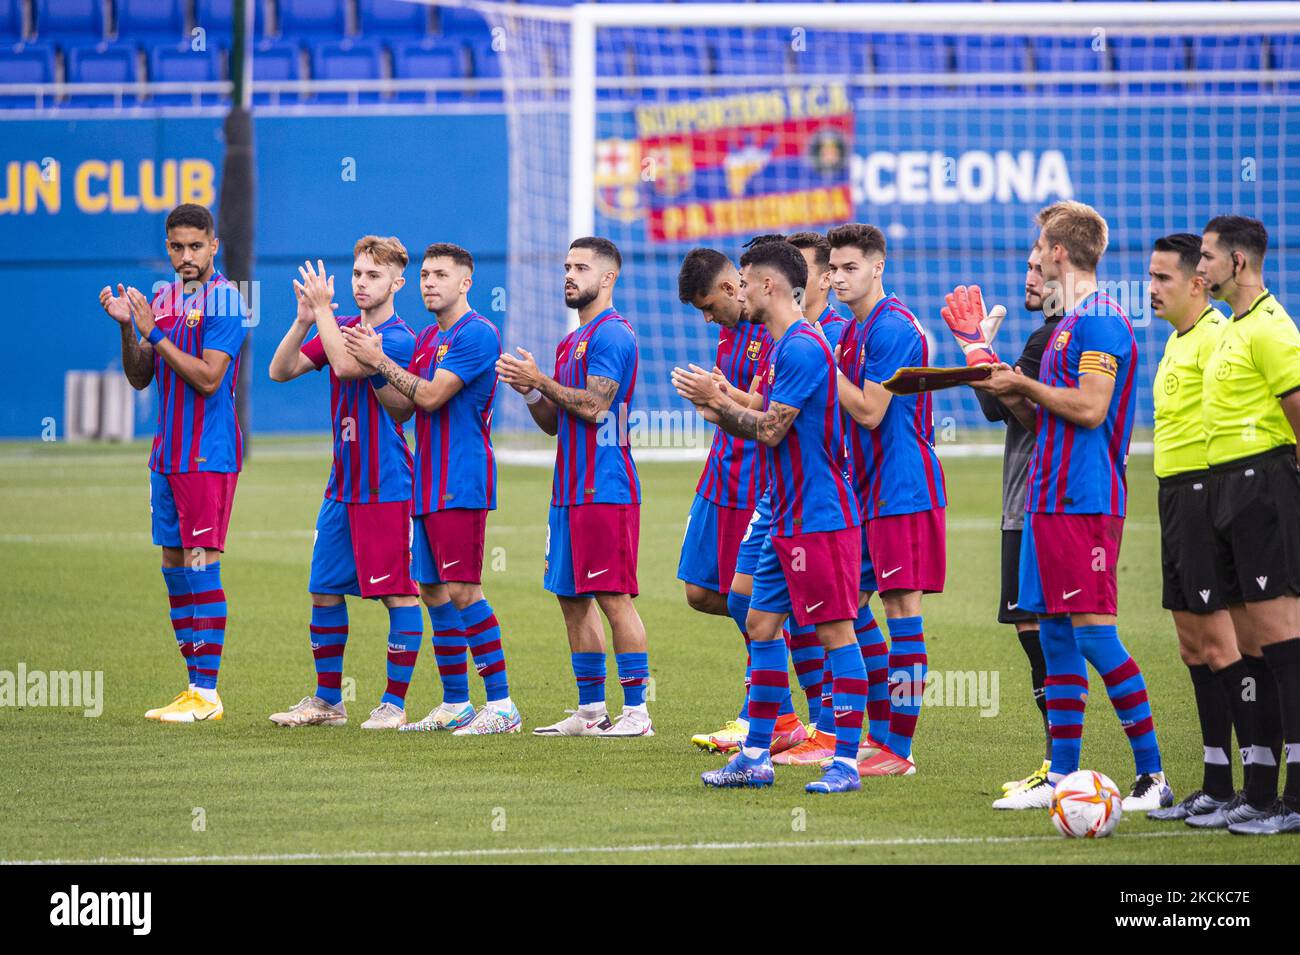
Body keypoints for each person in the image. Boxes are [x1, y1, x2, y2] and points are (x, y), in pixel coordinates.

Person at [976, 201, 1171, 812]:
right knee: (1056, 638)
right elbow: (1039, 413)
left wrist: (1022, 382)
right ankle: (1063, 776)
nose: (1033, 257)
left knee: (1094, 636)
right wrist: (985, 364)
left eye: (1038, 247)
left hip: (1085, 502)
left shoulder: (1103, 321)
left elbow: (1090, 408)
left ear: (1059, 252)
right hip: (1045, 503)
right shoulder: (1064, 326)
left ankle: (1153, 777)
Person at [674, 238, 866, 794]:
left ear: (768, 286)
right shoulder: (784, 346)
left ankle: (845, 764)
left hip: (819, 515)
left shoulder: (804, 347)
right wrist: (727, 399)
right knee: (759, 622)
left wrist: (718, 407)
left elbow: (770, 429)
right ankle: (756, 755)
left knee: (835, 633)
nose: (740, 290)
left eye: (747, 279)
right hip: (785, 514)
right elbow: (763, 413)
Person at [343, 242, 519, 735]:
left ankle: (502, 705)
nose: (429, 283)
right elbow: (403, 409)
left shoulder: (479, 333)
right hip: (428, 481)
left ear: (466, 283)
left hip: (461, 479)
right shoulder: (424, 339)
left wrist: (378, 361)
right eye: (424, 275)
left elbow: (434, 395)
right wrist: (376, 366)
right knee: (434, 590)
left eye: (440, 275)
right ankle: (456, 702)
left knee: (464, 588)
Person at [496, 237, 653, 738]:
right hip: (568, 493)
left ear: (607, 278)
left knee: (612, 597)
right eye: (566, 266)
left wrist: (541, 377)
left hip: (605, 490)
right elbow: (556, 423)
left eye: (580, 267)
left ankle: (637, 714)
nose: (569, 274)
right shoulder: (571, 342)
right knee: (571, 599)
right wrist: (531, 391)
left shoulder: (613, 335)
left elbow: (595, 407)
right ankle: (590, 712)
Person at [100, 202, 248, 724]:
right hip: (166, 455)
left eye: (195, 246)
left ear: (214, 246)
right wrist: (128, 329)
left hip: (207, 454)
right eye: (176, 247)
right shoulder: (161, 298)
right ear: (167, 247)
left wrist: (155, 333)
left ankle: (207, 694)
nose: (186, 256)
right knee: (173, 566)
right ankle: (191, 688)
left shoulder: (227, 302)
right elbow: (142, 375)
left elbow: (208, 379)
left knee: (202, 562)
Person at [266, 237, 421, 730]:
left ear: (397, 283)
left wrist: (325, 313)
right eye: (356, 273)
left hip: (386, 484)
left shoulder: (395, 338)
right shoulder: (342, 326)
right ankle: (327, 702)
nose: (361, 282)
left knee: (397, 594)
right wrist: (304, 319)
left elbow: (347, 366)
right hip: (343, 485)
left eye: (373, 275)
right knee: (324, 590)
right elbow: (280, 370)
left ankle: (394, 704)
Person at [1187, 216, 1300, 834]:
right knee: (1252, 648)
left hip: (1265, 488)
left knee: (1283, 646)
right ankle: (1258, 790)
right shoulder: (1235, 328)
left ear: (1237, 263)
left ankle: (1296, 795)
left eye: (1205, 258)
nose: (1198, 268)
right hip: (1228, 489)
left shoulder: (1273, 329)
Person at [675, 248, 809, 755]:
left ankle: (769, 712)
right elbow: (734, 405)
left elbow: (767, 415)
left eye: (709, 306)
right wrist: (716, 399)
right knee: (702, 593)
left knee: (752, 601)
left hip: (759, 482)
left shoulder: (776, 332)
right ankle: (774, 708)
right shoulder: (729, 331)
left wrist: (722, 400)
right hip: (719, 476)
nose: (708, 318)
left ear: (737, 288)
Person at [828, 222, 945, 777]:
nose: (839, 277)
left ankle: (900, 748)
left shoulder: (892, 328)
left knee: (902, 612)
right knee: (845, 606)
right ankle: (880, 736)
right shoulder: (853, 331)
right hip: (866, 489)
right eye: (834, 268)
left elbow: (871, 411)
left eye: (851, 267)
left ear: (878, 267)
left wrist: (820, 366)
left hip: (902, 488)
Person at [1143, 233, 1247, 822]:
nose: (1152, 289)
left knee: (1223, 646)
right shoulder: (1176, 344)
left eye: (1163, 279)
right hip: (1174, 497)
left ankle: (1251, 779)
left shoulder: (1215, 340)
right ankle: (1214, 779)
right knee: (1190, 647)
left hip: (1207, 497)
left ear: (1198, 283)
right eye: (1151, 278)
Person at [971, 238, 1059, 794]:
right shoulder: (1042, 335)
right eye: (1026, 267)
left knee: (1061, 632)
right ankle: (1058, 762)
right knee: (1035, 626)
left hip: (1039, 504)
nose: (1027, 277)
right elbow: (994, 408)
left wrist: (978, 354)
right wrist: (977, 351)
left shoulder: (1056, 336)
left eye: (1035, 268)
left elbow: (1027, 417)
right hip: (1022, 502)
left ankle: (1065, 763)